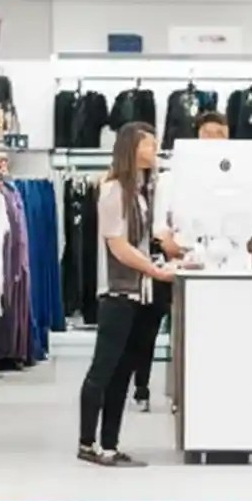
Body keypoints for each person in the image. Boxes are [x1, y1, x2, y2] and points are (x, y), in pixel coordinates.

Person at [78, 122, 175, 467]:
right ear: (131, 148)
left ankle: (109, 444)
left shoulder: (140, 191)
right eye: (149, 145)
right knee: (104, 368)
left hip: (137, 292)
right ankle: (87, 442)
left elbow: (148, 238)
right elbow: (117, 246)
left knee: (123, 369)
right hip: (118, 293)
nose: (155, 150)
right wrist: (154, 269)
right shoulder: (113, 190)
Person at [133, 111, 229, 411]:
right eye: (208, 132)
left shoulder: (230, 178)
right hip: (171, 261)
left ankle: (191, 390)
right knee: (150, 326)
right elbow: (157, 222)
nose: (213, 139)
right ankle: (142, 388)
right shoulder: (172, 178)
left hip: (212, 263)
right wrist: (170, 246)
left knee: (201, 330)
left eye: (220, 134)